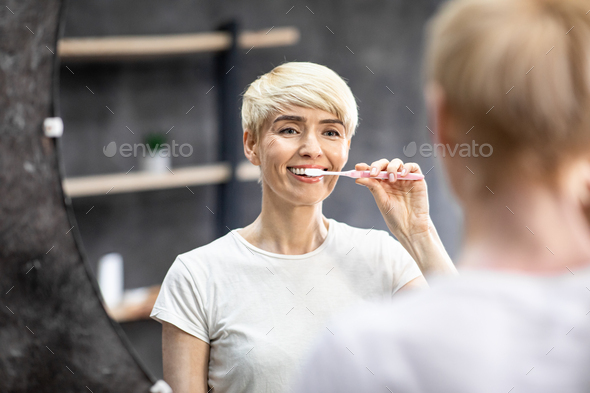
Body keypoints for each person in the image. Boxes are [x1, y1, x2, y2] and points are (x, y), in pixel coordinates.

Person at [292, 0, 590, 392]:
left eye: (331, 132)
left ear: (440, 122)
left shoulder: (363, 355)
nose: (312, 148)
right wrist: (417, 233)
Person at [150, 62, 457, 393]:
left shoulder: (386, 259)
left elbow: (471, 353)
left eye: (330, 132)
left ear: (346, 148)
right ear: (251, 145)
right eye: (289, 130)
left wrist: (418, 233)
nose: (312, 148)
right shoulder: (196, 276)